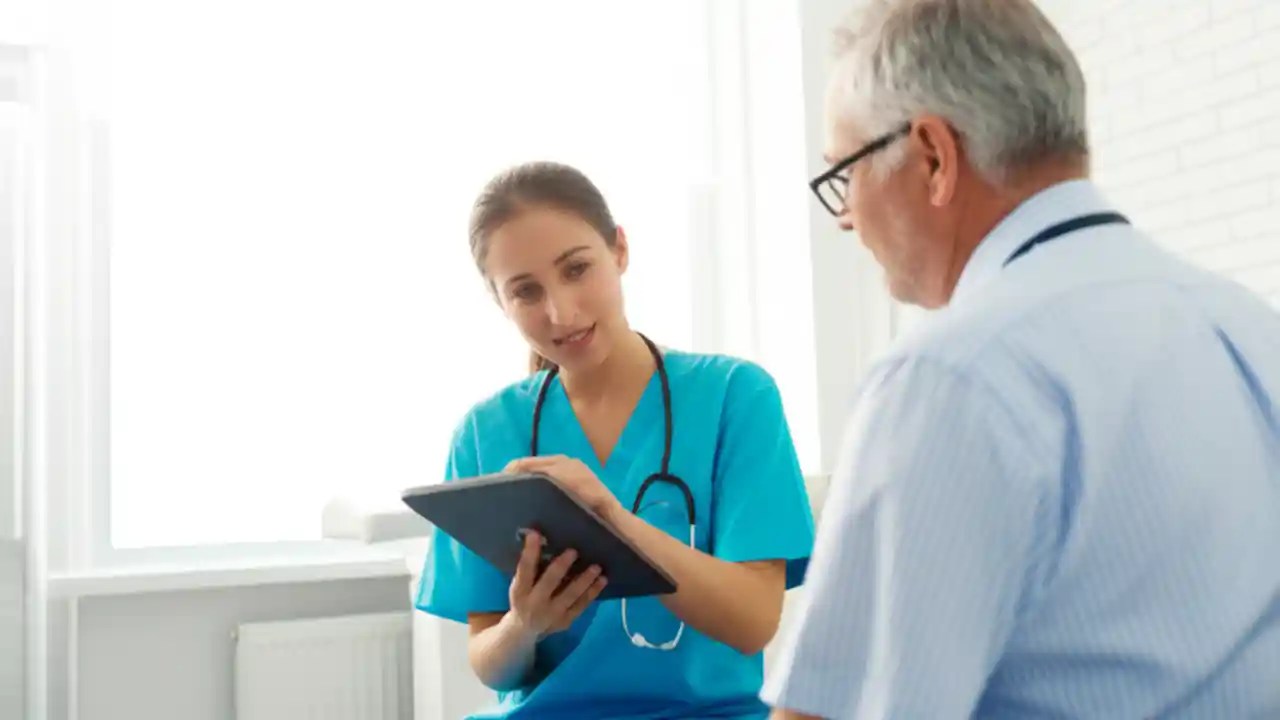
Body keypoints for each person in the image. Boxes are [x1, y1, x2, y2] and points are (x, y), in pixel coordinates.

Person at [764, 1, 1280, 718]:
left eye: (843, 174)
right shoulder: (1250, 326)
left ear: (934, 157)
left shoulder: (953, 377)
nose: (846, 215)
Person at [414, 161, 815, 719]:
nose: (561, 312)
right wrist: (524, 626)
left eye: (576, 269)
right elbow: (489, 661)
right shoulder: (485, 432)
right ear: (499, 301)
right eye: (526, 292)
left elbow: (753, 623)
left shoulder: (734, 397)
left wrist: (614, 521)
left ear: (619, 250)